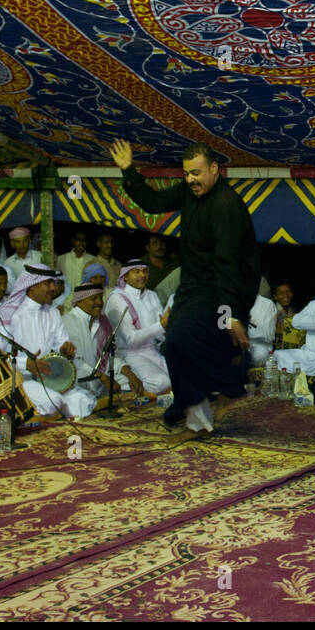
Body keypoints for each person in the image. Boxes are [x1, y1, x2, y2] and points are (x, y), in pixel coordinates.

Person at [111, 141, 260, 434]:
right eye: (187, 174)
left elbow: (228, 265)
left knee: (187, 338)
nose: (190, 179)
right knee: (175, 343)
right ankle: (196, 406)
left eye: (196, 172)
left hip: (223, 286)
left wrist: (232, 315)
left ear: (215, 169)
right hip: (194, 284)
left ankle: (218, 391)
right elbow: (153, 203)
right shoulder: (189, 191)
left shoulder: (226, 206)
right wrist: (129, 170)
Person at [0, 264, 97, 418]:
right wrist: (25, 364)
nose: (54, 288)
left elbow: (62, 342)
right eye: (48, 283)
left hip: (48, 377)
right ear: (32, 286)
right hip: (20, 379)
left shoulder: (52, 312)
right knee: (51, 402)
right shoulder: (9, 314)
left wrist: (65, 349)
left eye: (54, 283)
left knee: (82, 401)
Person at [103, 260, 171, 395]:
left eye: (145, 271)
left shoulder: (151, 295)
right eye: (136, 271)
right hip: (129, 353)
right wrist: (161, 326)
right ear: (125, 276)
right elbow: (130, 339)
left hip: (152, 350)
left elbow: (159, 335)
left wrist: (167, 330)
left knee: (181, 374)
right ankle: (125, 383)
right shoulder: (117, 298)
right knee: (162, 383)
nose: (142, 275)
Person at [62, 284, 121, 399]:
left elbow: (108, 354)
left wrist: (127, 371)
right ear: (79, 302)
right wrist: (102, 377)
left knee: (128, 380)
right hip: (78, 376)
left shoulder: (102, 321)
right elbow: (76, 361)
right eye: (94, 299)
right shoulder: (68, 322)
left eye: (101, 298)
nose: (99, 302)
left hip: (100, 374)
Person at [246, 289, 279, 369]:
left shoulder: (267, 304)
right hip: (238, 344)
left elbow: (268, 335)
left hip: (260, 346)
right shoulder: (233, 301)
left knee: (260, 355)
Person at [56, 231, 94, 298]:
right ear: (73, 241)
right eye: (79, 240)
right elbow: (57, 281)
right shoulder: (62, 259)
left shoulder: (92, 260)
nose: (81, 243)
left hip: (85, 299)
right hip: (65, 300)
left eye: (84, 240)